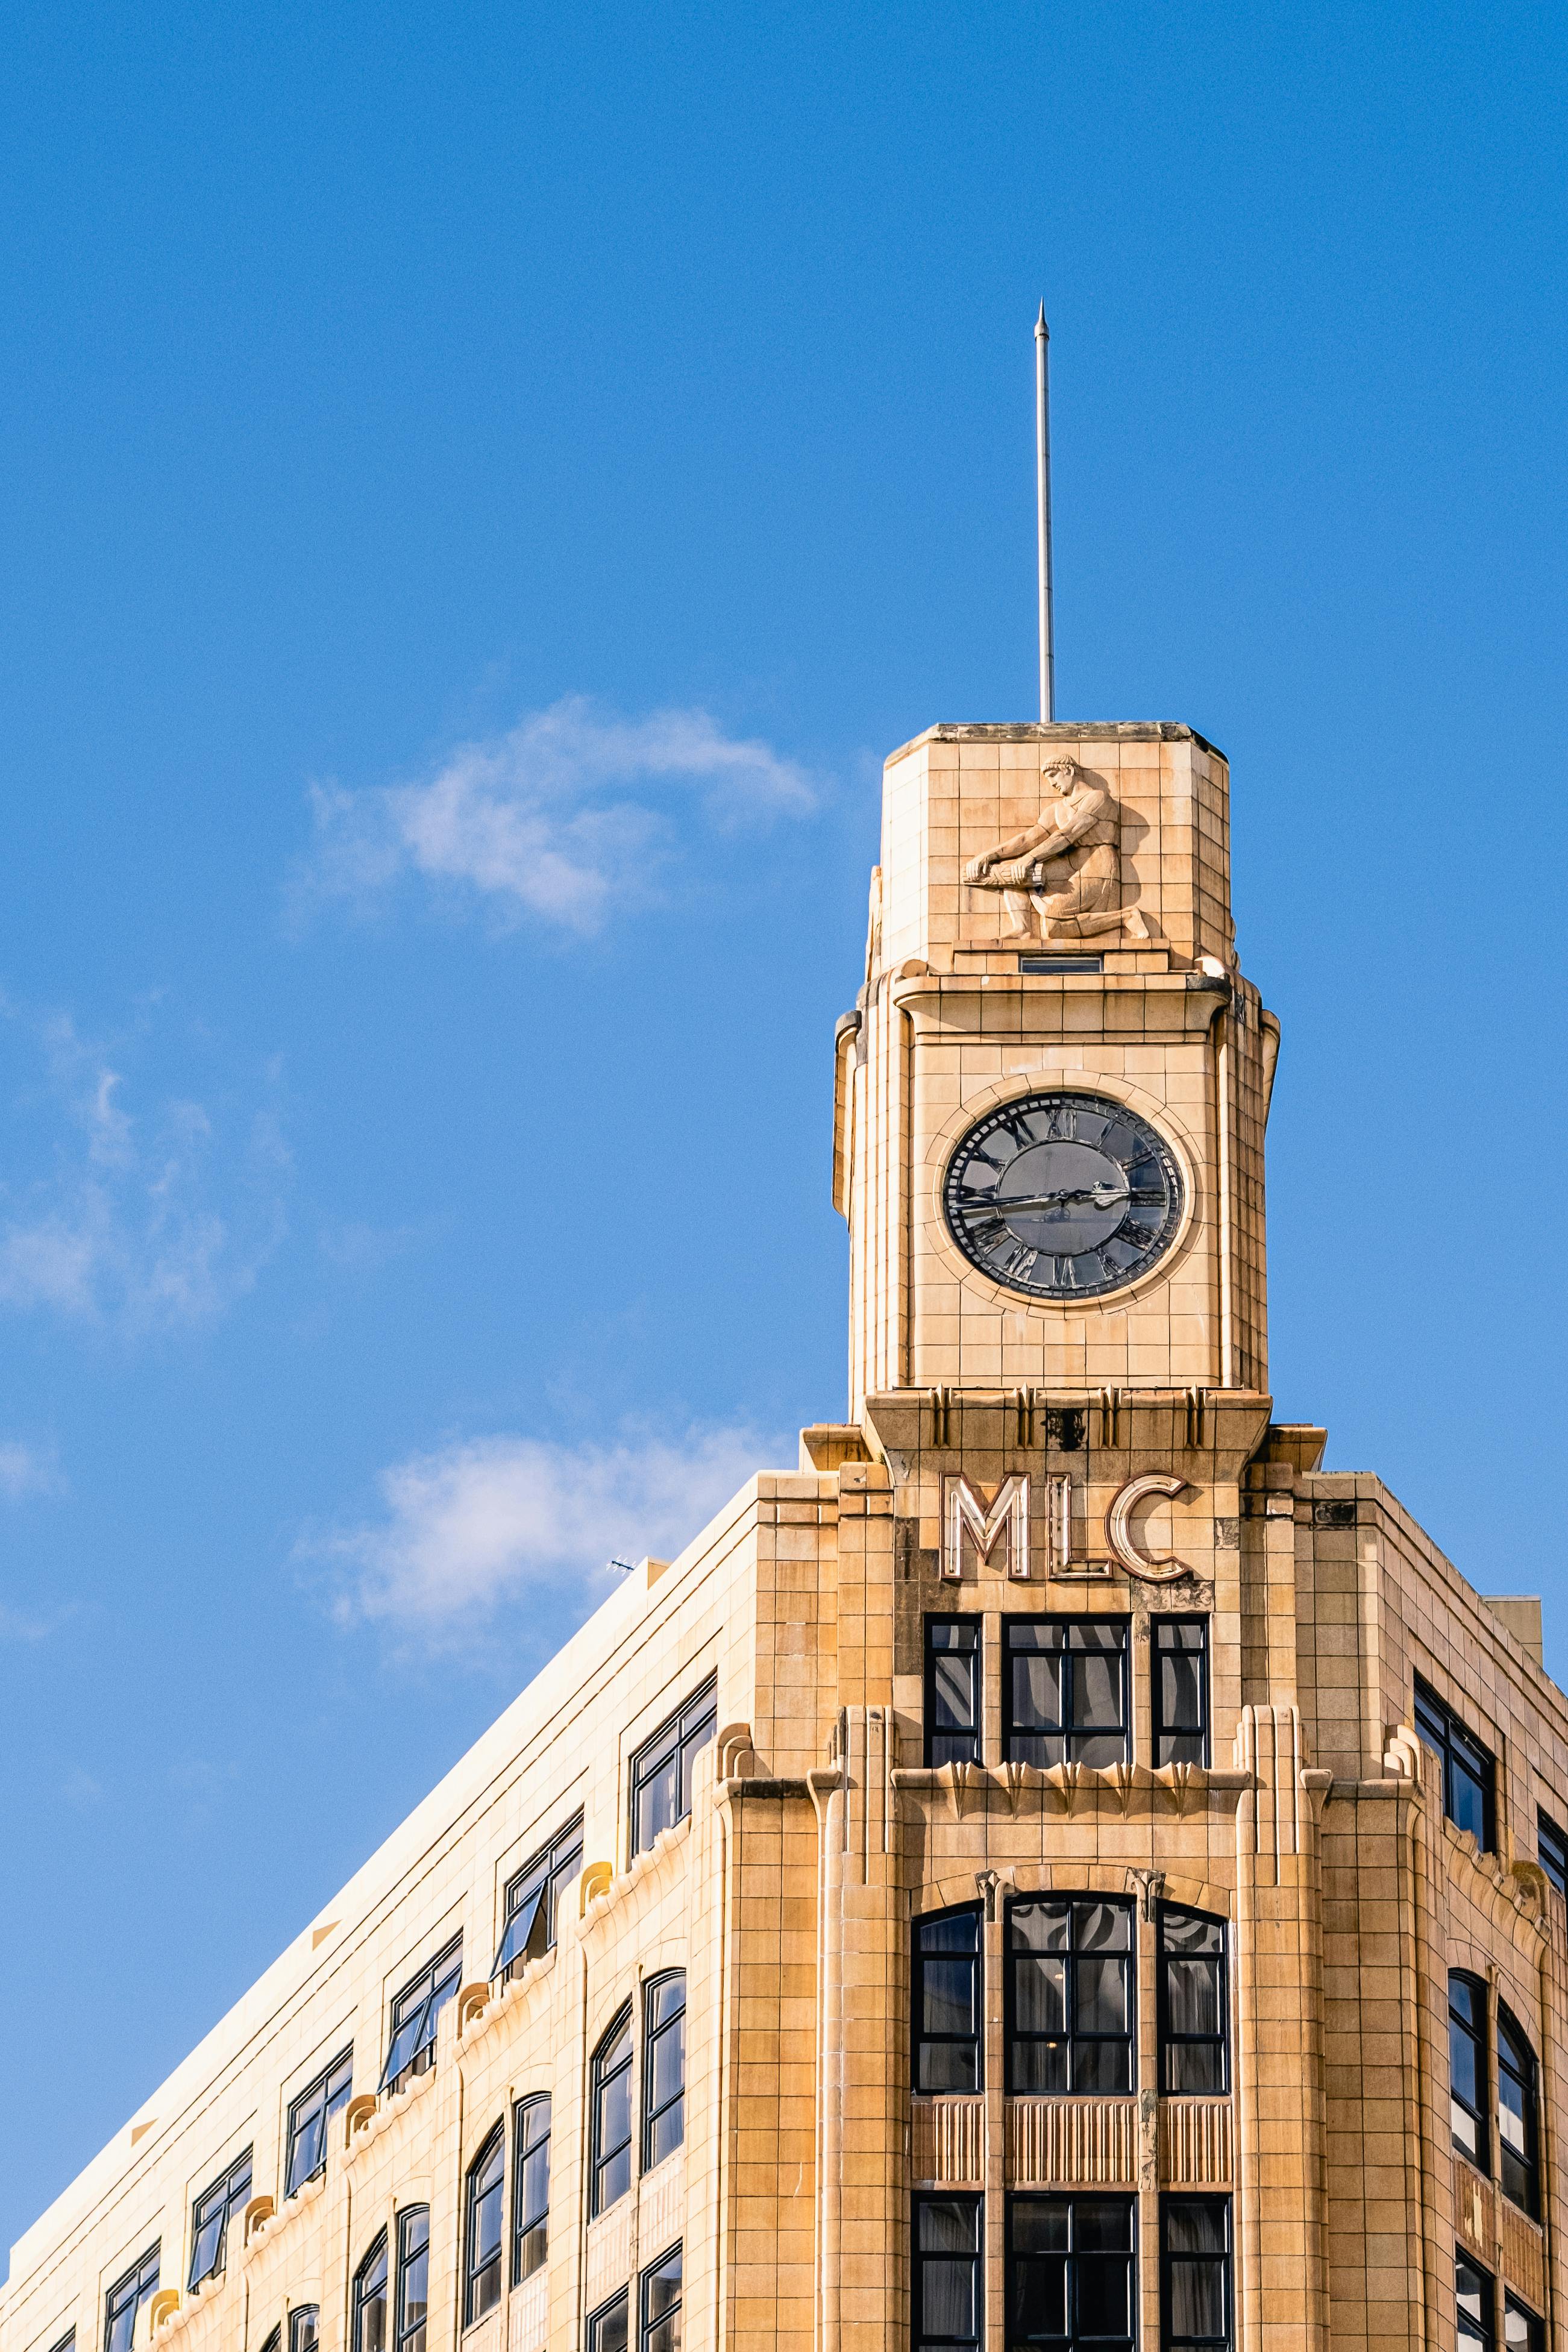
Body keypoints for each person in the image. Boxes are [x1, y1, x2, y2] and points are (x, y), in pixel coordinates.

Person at [961, 756, 1121, 940]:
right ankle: (1022, 929)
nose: (1052, 783)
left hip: (1096, 867)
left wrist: (1029, 859)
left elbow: (1068, 834)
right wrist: (988, 856)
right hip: (1067, 867)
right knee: (1010, 872)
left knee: (1053, 925)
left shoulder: (1097, 798)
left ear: (1068, 770)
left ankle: (1126, 917)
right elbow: (1028, 839)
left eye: (1054, 775)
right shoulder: (1057, 808)